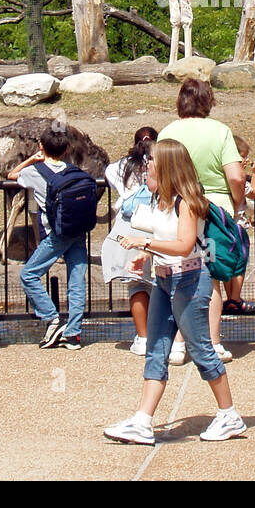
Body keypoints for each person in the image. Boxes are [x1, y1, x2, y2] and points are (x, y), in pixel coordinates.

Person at [104, 139, 246, 444]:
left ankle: (229, 415)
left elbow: (183, 246)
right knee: (156, 349)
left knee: (201, 350)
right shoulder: (160, 200)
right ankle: (142, 420)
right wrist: (147, 255)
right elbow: (165, 237)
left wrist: (144, 244)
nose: (147, 166)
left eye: (152, 161)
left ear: (167, 165)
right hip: (164, 281)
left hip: (190, 282)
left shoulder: (188, 202)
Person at [158, 79, 246, 363]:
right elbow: (235, 176)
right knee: (212, 277)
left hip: (179, 207)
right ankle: (213, 341)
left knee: (184, 273)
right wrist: (238, 203)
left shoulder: (168, 131)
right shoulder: (220, 131)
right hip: (214, 212)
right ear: (208, 101)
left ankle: (178, 342)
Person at [13, 122, 91, 351]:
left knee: (29, 274)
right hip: (78, 231)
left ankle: (52, 318)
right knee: (76, 280)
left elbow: (12, 174)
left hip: (56, 233)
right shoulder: (74, 171)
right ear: (66, 149)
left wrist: (31, 159)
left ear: (40, 145)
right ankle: (73, 333)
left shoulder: (33, 172)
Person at [103, 127, 158, 354]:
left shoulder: (120, 167)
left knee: (136, 284)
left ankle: (143, 337)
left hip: (130, 227)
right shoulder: (160, 161)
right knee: (160, 284)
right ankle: (164, 337)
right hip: (157, 224)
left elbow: (109, 172)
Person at [221, 134, 255, 314]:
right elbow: (251, 193)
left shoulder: (221, 178)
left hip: (222, 225)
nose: (246, 160)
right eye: (243, 157)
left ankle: (230, 299)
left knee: (227, 261)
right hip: (238, 227)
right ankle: (235, 298)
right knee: (239, 261)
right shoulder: (238, 178)